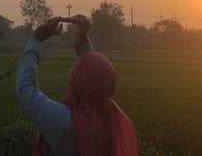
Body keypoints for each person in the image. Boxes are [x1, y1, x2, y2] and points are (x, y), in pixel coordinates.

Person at [16, 14, 138, 156]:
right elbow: (96, 76)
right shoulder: (116, 121)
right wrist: (83, 38)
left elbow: (25, 86)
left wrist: (37, 37)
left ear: (78, 78)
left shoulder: (62, 120)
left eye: (77, 68)